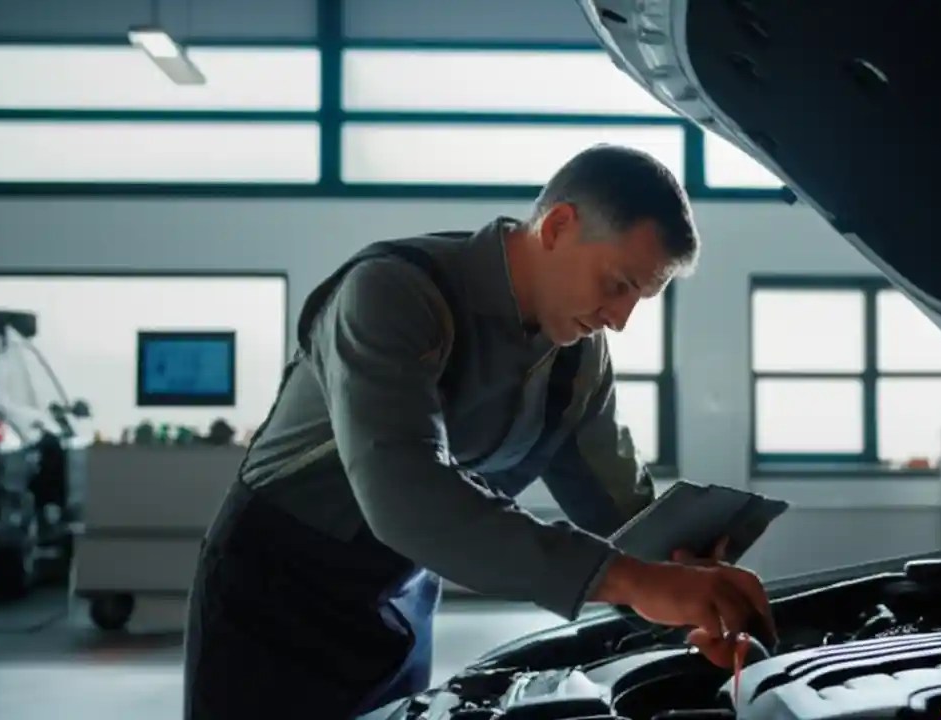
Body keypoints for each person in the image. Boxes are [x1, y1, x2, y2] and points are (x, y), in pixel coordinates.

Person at [182, 144, 775, 719]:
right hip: (272, 589)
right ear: (559, 225)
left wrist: (693, 600)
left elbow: (624, 518)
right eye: (618, 284)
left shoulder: (578, 358)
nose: (619, 321)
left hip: (399, 595)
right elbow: (407, 497)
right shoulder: (393, 293)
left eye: (641, 298)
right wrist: (636, 579)